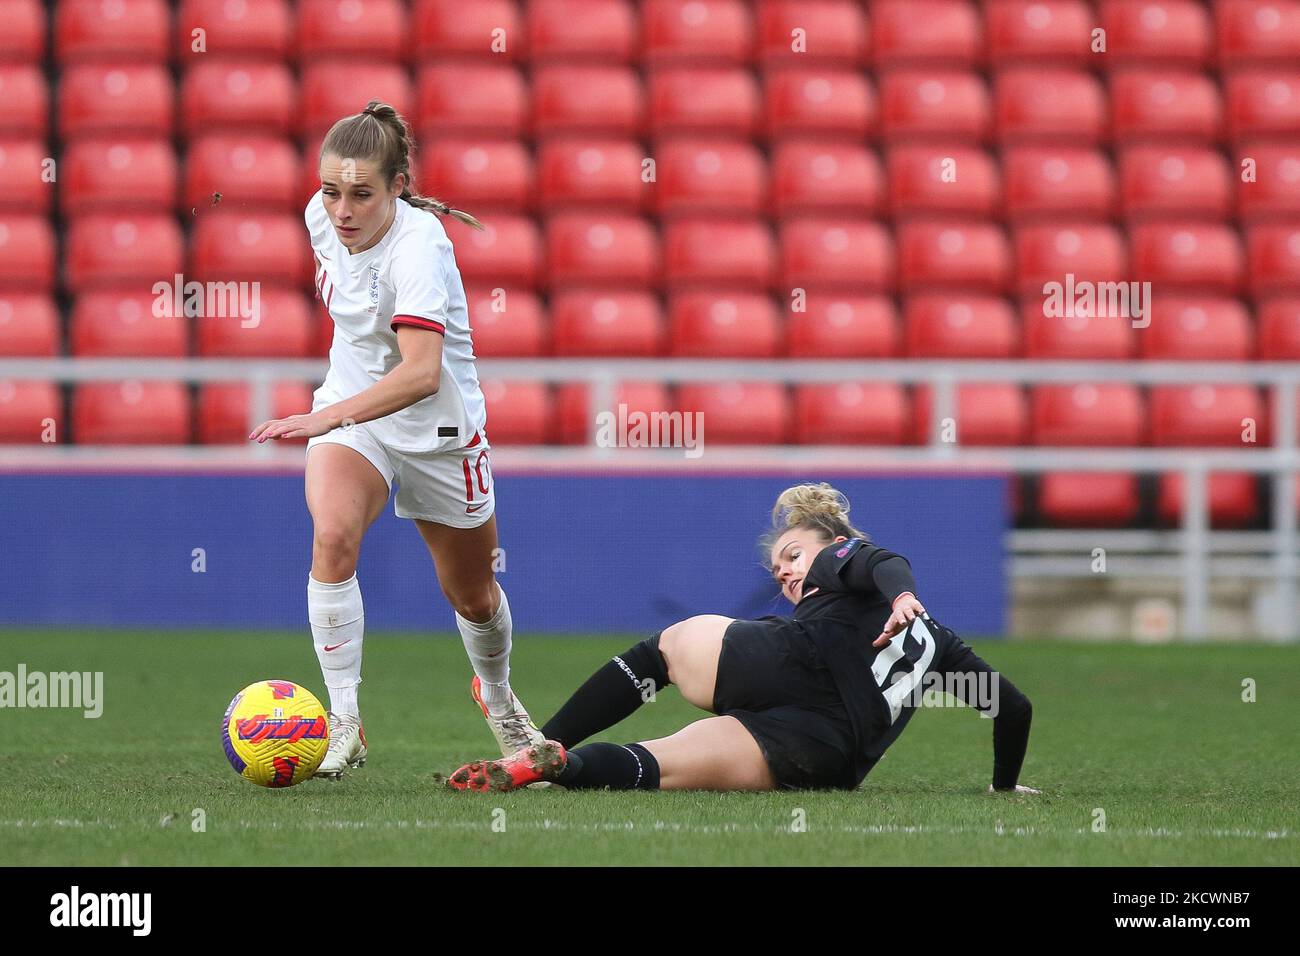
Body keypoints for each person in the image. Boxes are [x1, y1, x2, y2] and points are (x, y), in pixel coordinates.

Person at [249, 100, 542, 778]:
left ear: (397, 187)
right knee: (332, 538)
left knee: (473, 596)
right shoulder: (318, 219)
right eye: (330, 190)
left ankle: (496, 697)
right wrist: (340, 416)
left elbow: (419, 373)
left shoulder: (419, 250)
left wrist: (328, 416)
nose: (341, 209)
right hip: (356, 418)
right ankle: (344, 721)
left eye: (361, 193)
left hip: (438, 433)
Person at [448, 482, 1037, 793]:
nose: (784, 569)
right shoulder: (944, 645)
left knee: (669, 646)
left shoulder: (842, 559)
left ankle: (541, 742)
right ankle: (552, 766)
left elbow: (879, 558)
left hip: (792, 668)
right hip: (823, 753)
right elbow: (1013, 706)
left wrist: (903, 591)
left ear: (833, 543)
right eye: (778, 565)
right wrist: (1004, 786)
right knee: (655, 766)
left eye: (791, 554)